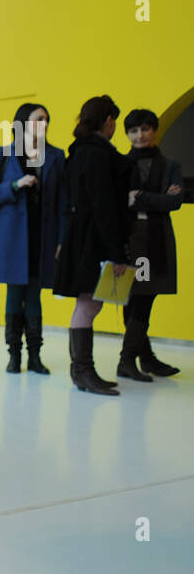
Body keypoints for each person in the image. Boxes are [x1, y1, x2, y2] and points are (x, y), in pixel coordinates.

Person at [0, 103, 67, 374]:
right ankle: (14, 356)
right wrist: (16, 185)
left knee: (35, 295)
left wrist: (61, 240)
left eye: (47, 119)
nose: (45, 124)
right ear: (23, 123)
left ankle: (35, 357)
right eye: (39, 119)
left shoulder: (56, 156)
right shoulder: (3, 154)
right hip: (12, 237)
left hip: (43, 236)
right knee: (15, 295)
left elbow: (63, 202)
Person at [52, 95, 128, 395]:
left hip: (80, 237)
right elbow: (104, 205)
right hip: (93, 240)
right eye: (115, 122)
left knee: (89, 302)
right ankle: (83, 371)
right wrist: (116, 251)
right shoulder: (98, 154)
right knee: (87, 302)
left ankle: (82, 371)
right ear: (108, 121)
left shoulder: (78, 153)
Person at [117, 108, 183, 380]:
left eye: (145, 129)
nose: (140, 135)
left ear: (154, 130)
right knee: (129, 299)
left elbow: (175, 202)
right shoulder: (120, 164)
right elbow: (118, 201)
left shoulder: (170, 166)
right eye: (133, 131)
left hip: (154, 238)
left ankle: (134, 359)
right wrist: (158, 198)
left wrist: (140, 197)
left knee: (144, 297)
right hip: (127, 237)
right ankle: (139, 359)